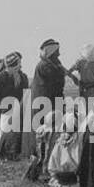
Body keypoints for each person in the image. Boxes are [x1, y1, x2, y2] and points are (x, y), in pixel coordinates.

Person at [30, 39, 72, 179]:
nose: (59, 54)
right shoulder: (45, 66)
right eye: (57, 51)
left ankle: (48, 164)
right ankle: (44, 168)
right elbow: (57, 78)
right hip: (46, 104)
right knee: (46, 136)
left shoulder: (51, 64)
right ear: (52, 52)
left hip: (52, 102)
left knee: (52, 134)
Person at [0, 53, 29, 161]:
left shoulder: (21, 77)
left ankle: (11, 153)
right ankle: (3, 153)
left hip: (15, 107)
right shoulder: (3, 77)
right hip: (8, 108)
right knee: (6, 130)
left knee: (13, 131)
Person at [46, 112, 83, 187]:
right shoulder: (79, 141)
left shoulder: (60, 141)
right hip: (72, 180)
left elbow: (52, 166)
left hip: (64, 180)